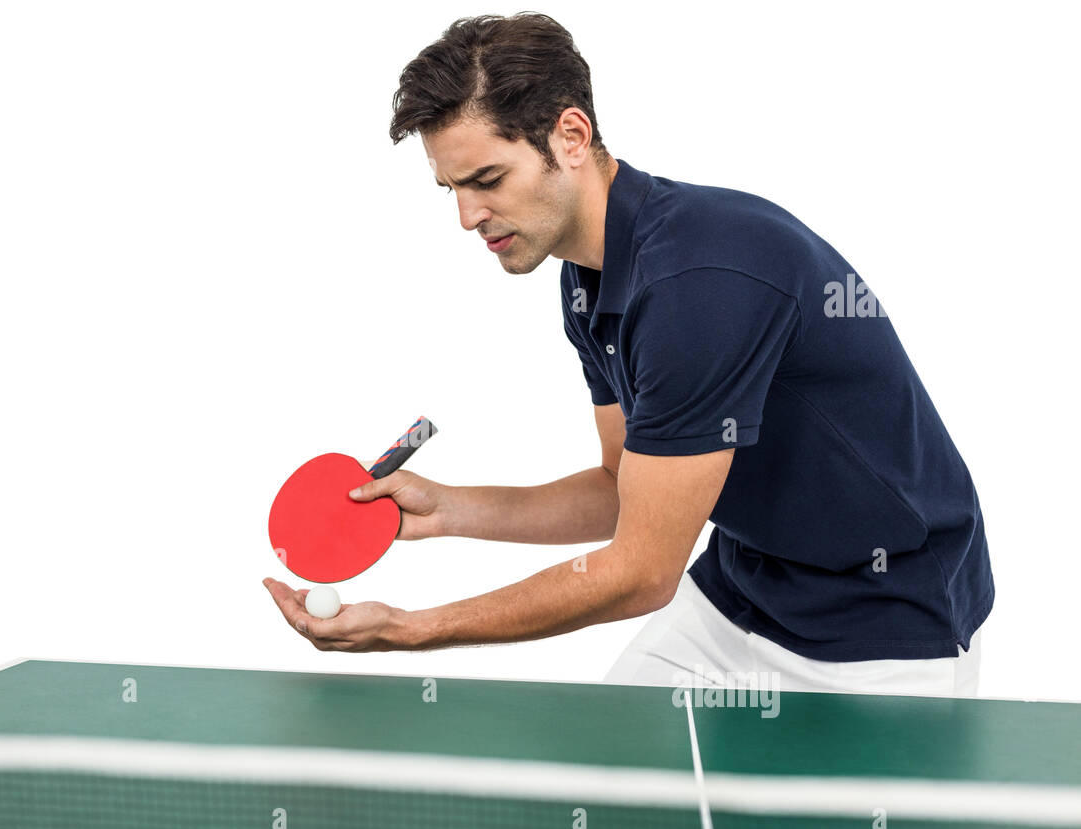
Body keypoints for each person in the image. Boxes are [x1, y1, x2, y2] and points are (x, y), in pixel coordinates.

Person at [263, 13, 993, 697]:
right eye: (450, 188)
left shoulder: (697, 288)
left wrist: (412, 629)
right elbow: (622, 488)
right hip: (746, 588)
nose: (465, 216)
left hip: (887, 623)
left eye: (487, 180)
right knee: (608, 811)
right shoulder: (586, 279)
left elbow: (642, 573)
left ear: (571, 136)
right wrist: (450, 508)